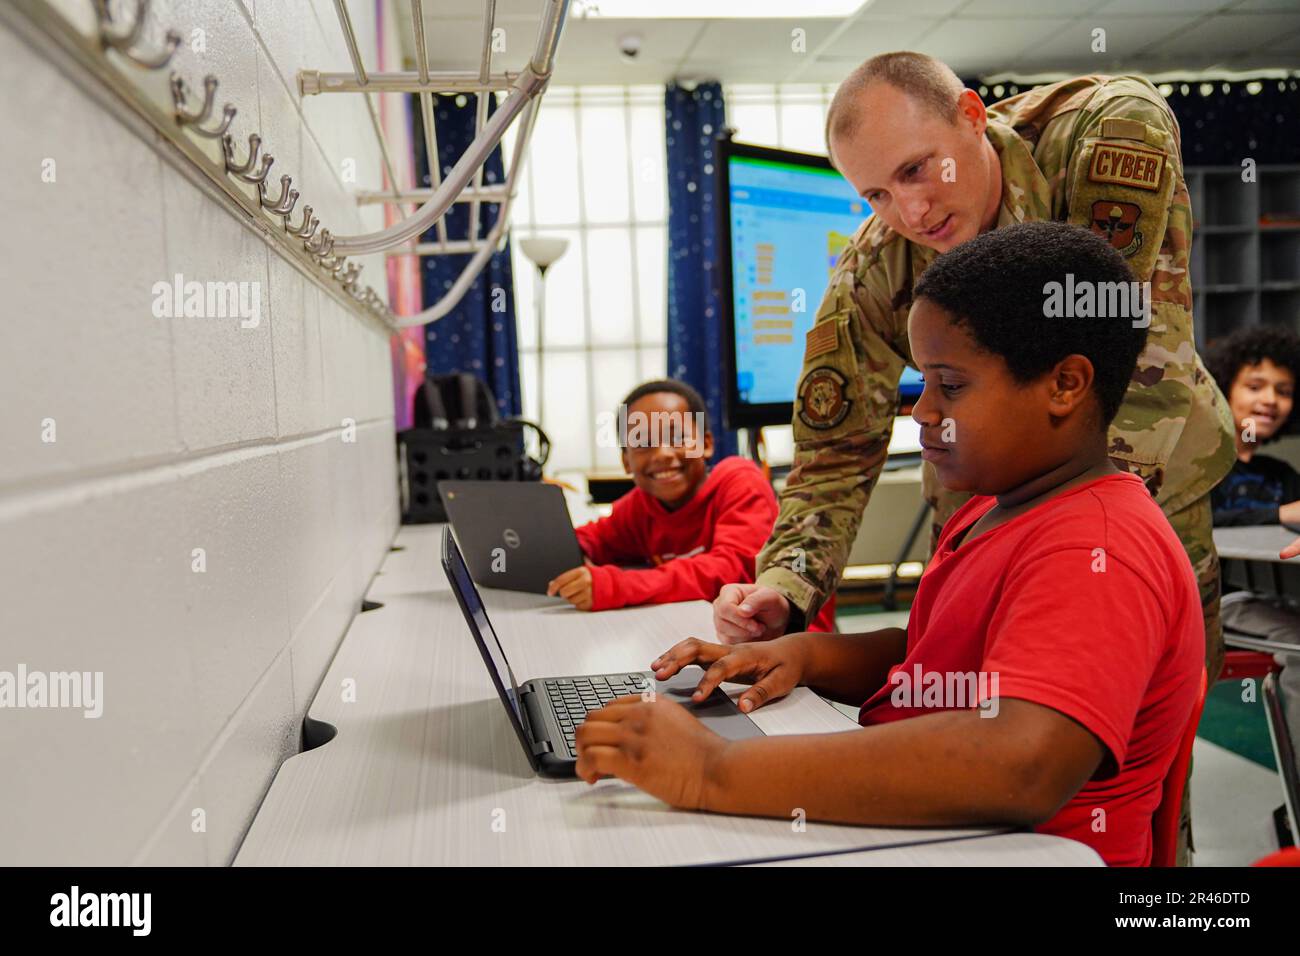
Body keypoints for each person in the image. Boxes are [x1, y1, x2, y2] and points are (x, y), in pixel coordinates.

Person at [575, 222, 1202, 868]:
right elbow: (940, 655)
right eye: (922, 381)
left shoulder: (1095, 547)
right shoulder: (998, 506)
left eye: (949, 385)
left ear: (1066, 385)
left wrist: (715, 769)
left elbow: (1022, 762)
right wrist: (803, 654)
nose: (921, 411)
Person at [716, 53, 1234, 696]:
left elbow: (1107, 344)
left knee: (1149, 714)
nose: (910, 210)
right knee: (971, 696)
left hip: (1146, 469)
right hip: (984, 503)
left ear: (971, 115)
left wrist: (1045, 548)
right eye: (876, 193)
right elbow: (833, 455)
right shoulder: (876, 269)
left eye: (916, 168)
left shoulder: (1103, 134)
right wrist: (784, 587)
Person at [548, 381, 815, 617]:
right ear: (625, 461)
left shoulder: (739, 479)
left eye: (677, 437)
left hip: (790, 645)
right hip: (700, 633)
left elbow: (729, 571)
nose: (663, 453)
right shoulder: (640, 505)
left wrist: (617, 586)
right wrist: (571, 555)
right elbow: (592, 539)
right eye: (643, 443)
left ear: (706, 444)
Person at [1206, 325, 1300, 527]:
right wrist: (1281, 514)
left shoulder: (1283, 476)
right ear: (1224, 389)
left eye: (1284, 392)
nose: (1270, 400)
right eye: (1255, 387)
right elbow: (1186, 526)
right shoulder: (1195, 465)